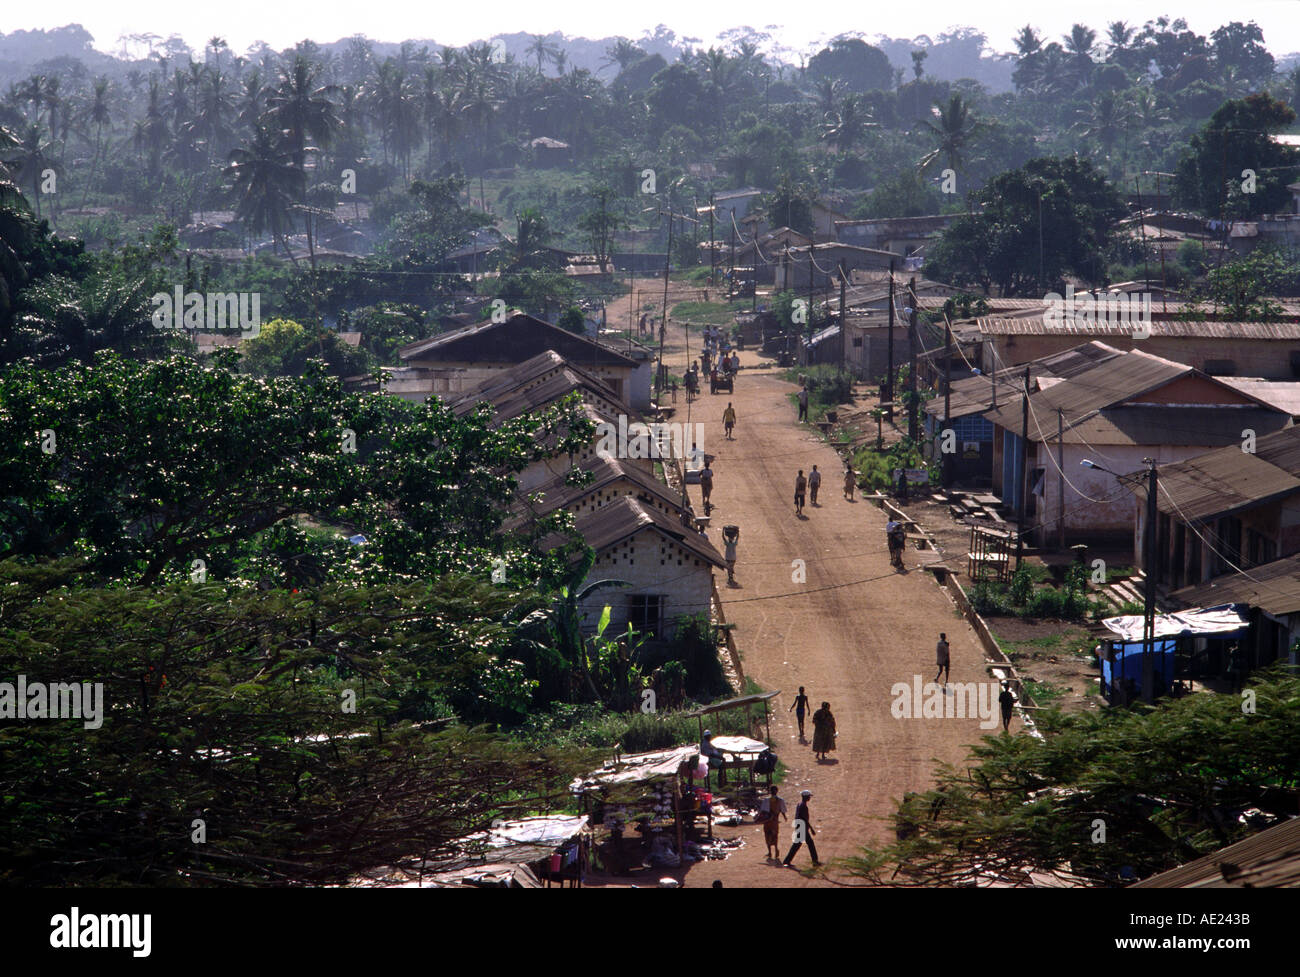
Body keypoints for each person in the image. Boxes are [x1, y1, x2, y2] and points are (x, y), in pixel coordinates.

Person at [782, 790, 820, 867]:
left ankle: (787, 861)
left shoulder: (799, 804)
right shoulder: (803, 806)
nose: (809, 798)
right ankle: (815, 861)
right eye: (809, 796)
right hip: (802, 827)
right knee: (808, 844)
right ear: (805, 797)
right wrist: (811, 828)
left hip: (800, 826)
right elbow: (805, 818)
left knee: (798, 845)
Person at [759, 785, 788, 859]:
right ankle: (776, 849)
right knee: (774, 835)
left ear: (770, 791)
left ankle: (770, 852)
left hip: (767, 821)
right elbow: (782, 810)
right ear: (777, 791)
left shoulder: (766, 800)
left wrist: (759, 819)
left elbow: (763, 811)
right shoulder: (780, 800)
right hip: (775, 821)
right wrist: (784, 817)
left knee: (767, 835)